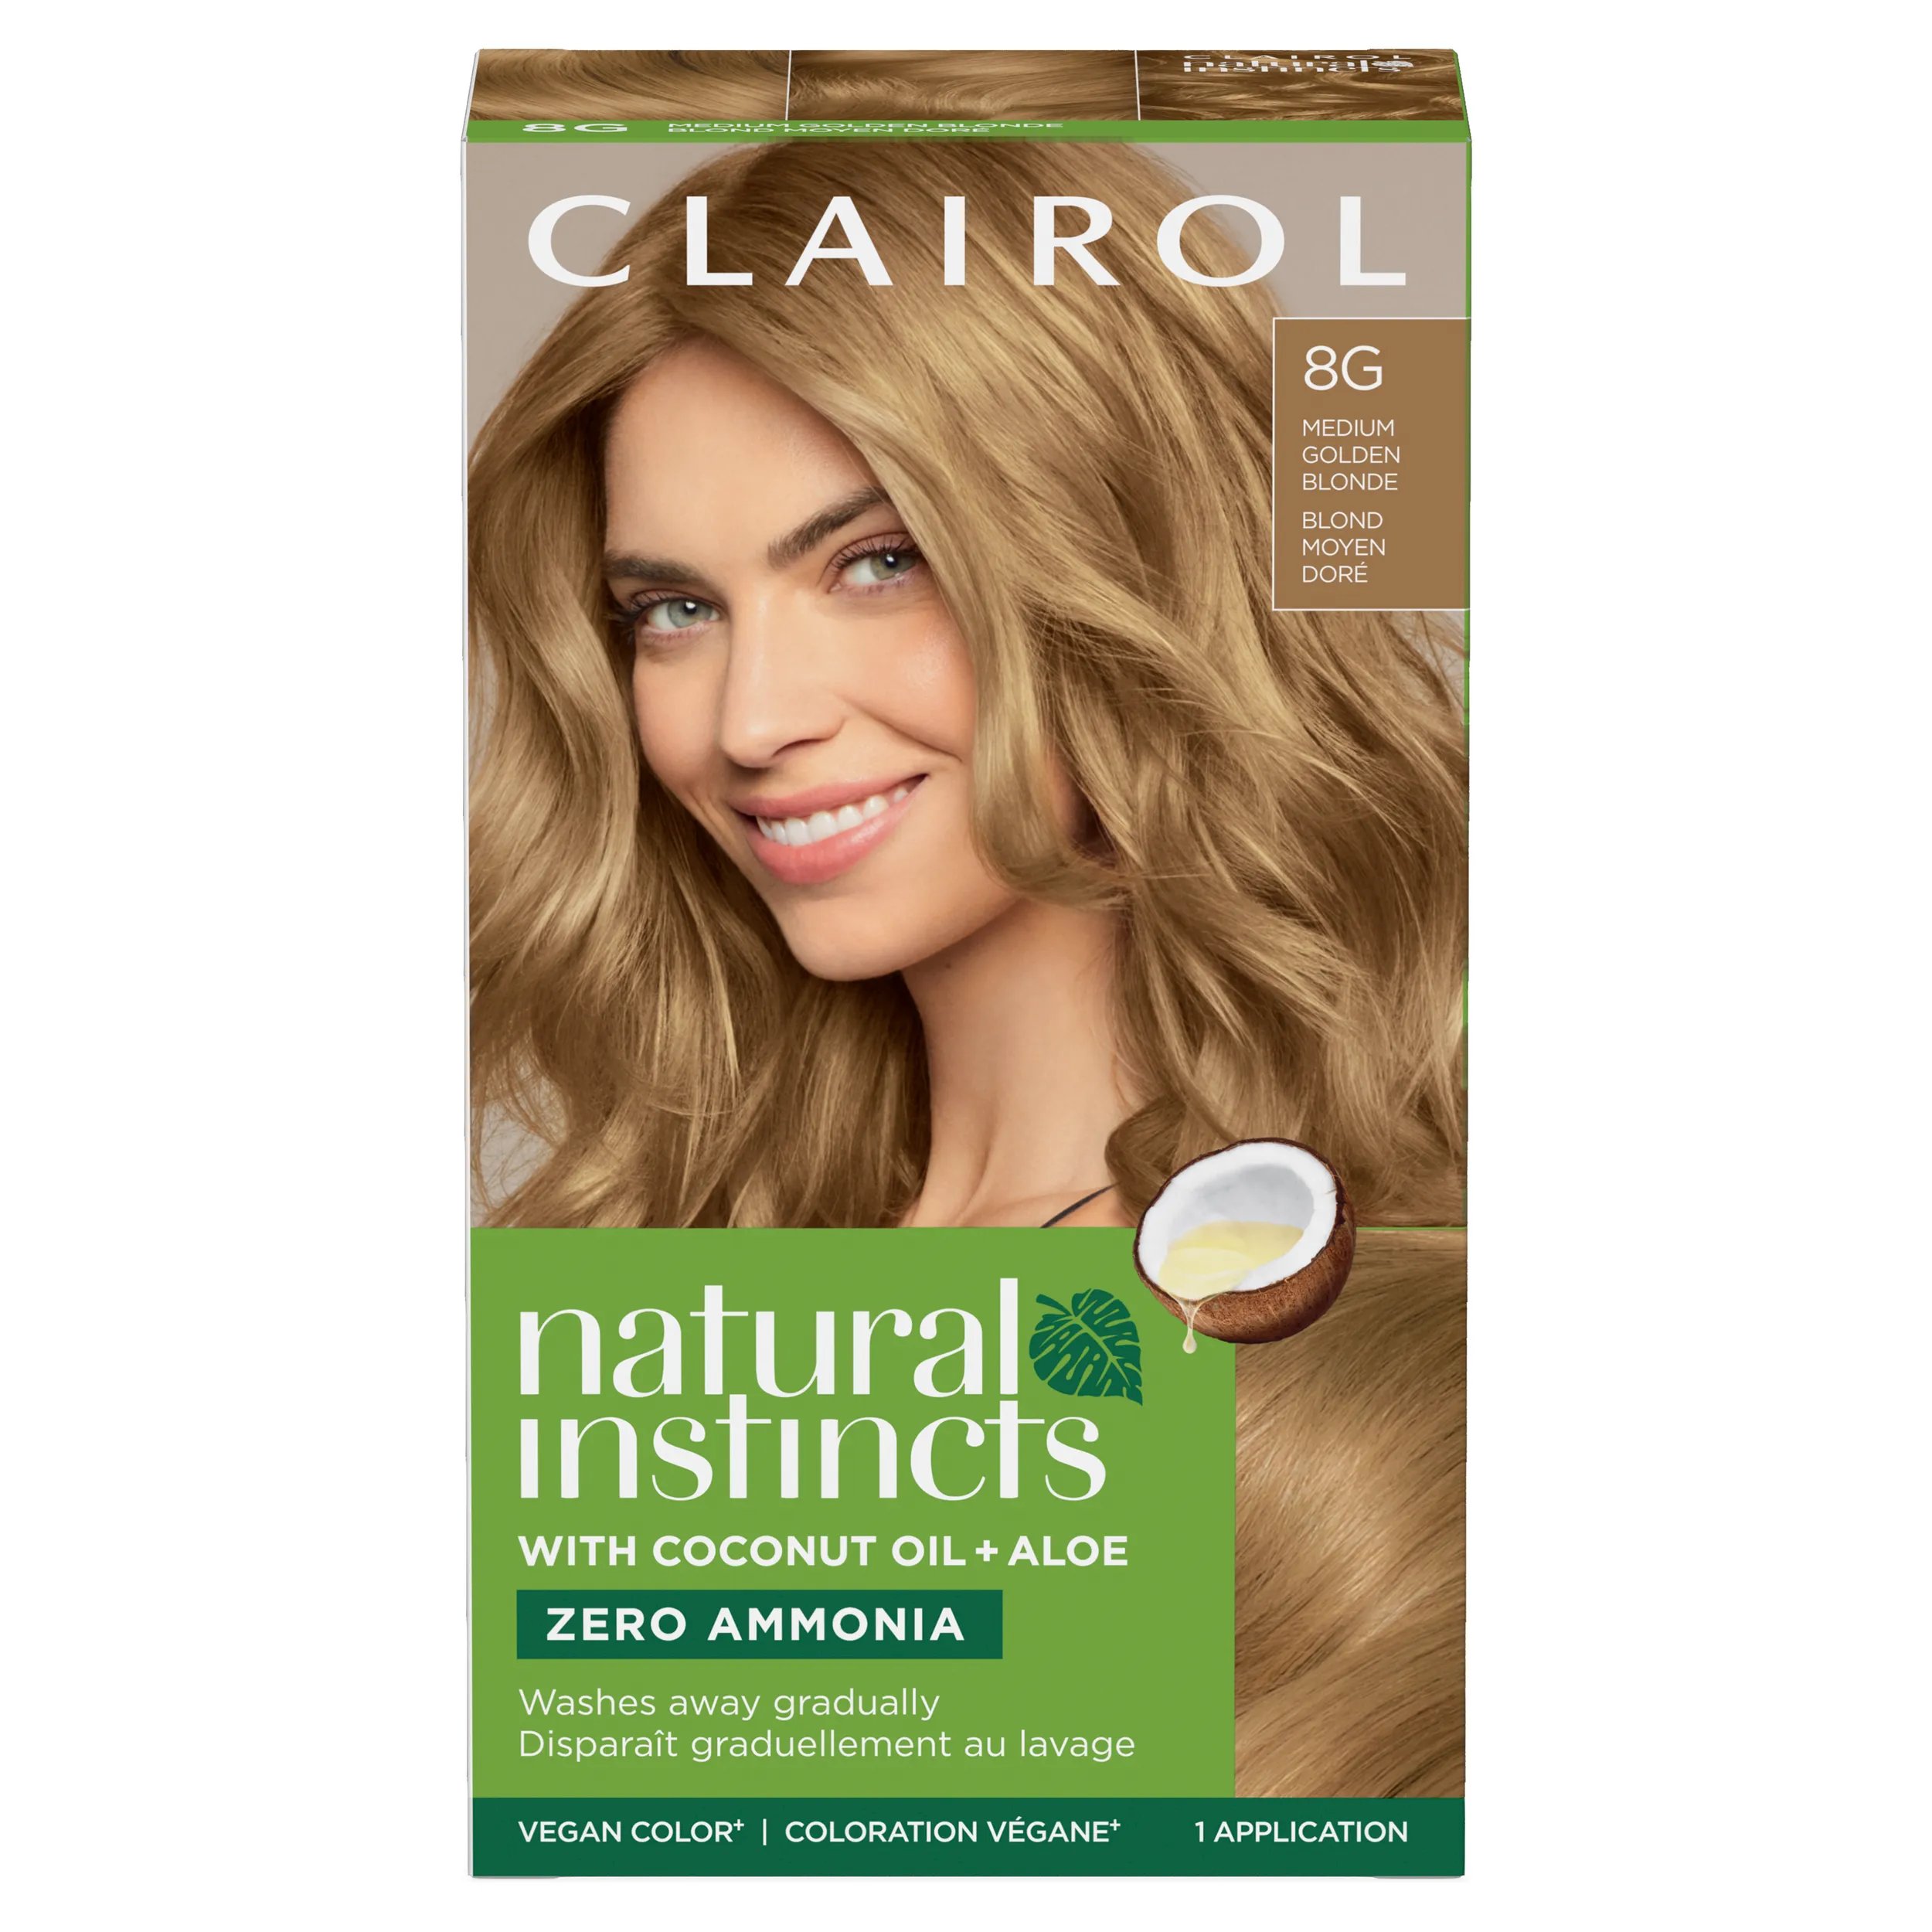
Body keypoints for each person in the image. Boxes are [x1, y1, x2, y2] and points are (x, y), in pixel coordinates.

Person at [470, 137, 1464, 1233]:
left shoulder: (1364, 1280)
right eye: (675, 610)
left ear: (1144, 556)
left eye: (881, 563)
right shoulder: (683, 1267)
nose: (751, 723)